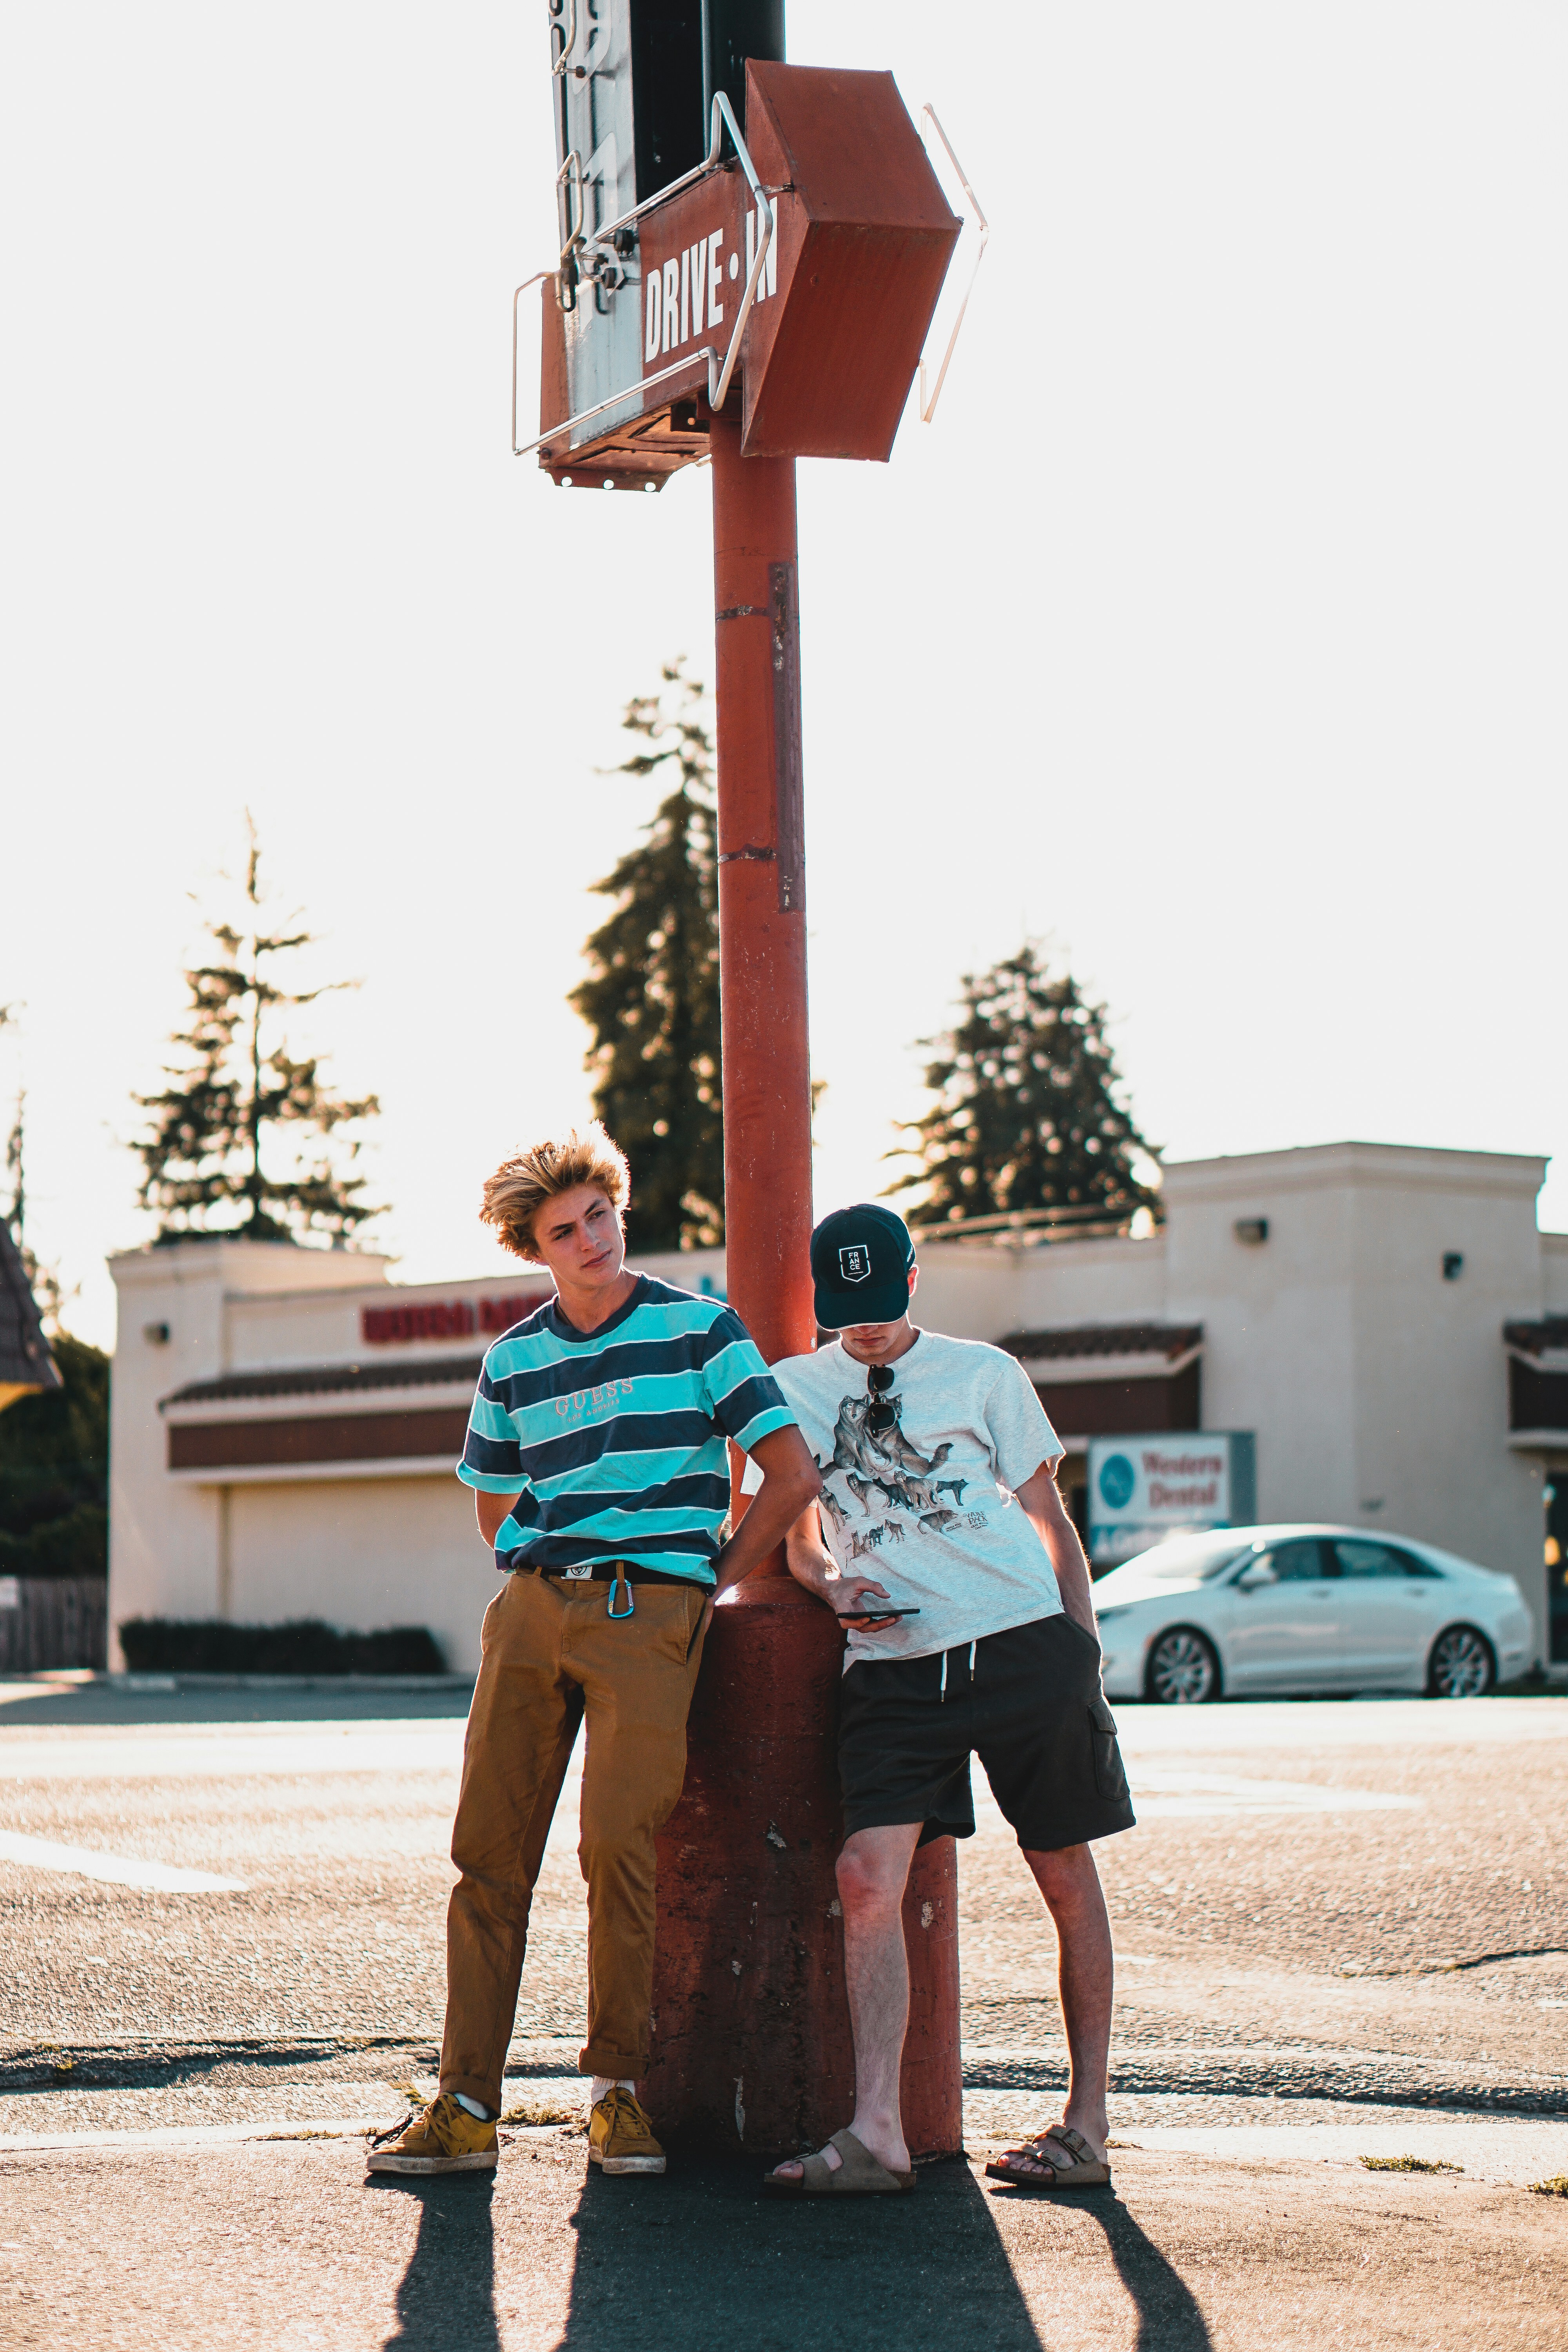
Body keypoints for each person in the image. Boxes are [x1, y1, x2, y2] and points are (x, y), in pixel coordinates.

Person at [368, 1125, 819, 2181]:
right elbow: (491, 1503)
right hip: (531, 1612)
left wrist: (705, 1580)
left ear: (620, 1208)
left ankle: (618, 2096)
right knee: (488, 1860)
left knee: (619, 1851)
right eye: (564, 1231)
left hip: (650, 1613)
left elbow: (790, 1475)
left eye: (601, 1216)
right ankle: (467, 2106)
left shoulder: (702, 1330)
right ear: (535, 1249)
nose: (591, 1241)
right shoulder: (512, 1359)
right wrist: (542, 1576)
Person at [758, 1202, 1134, 2197]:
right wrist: (827, 1585)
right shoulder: (794, 1388)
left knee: (1061, 1871)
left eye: (881, 1303)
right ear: (819, 1301)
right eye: (847, 1310)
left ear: (912, 1283)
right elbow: (797, 1528)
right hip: (891, 1666)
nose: (867, 1325)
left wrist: (1080, 1655)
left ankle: (1088, 2124)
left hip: (1021, 1645)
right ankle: (877, 2132)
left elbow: (1050, 1520)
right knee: (864, 1875)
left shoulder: (984, 1373)